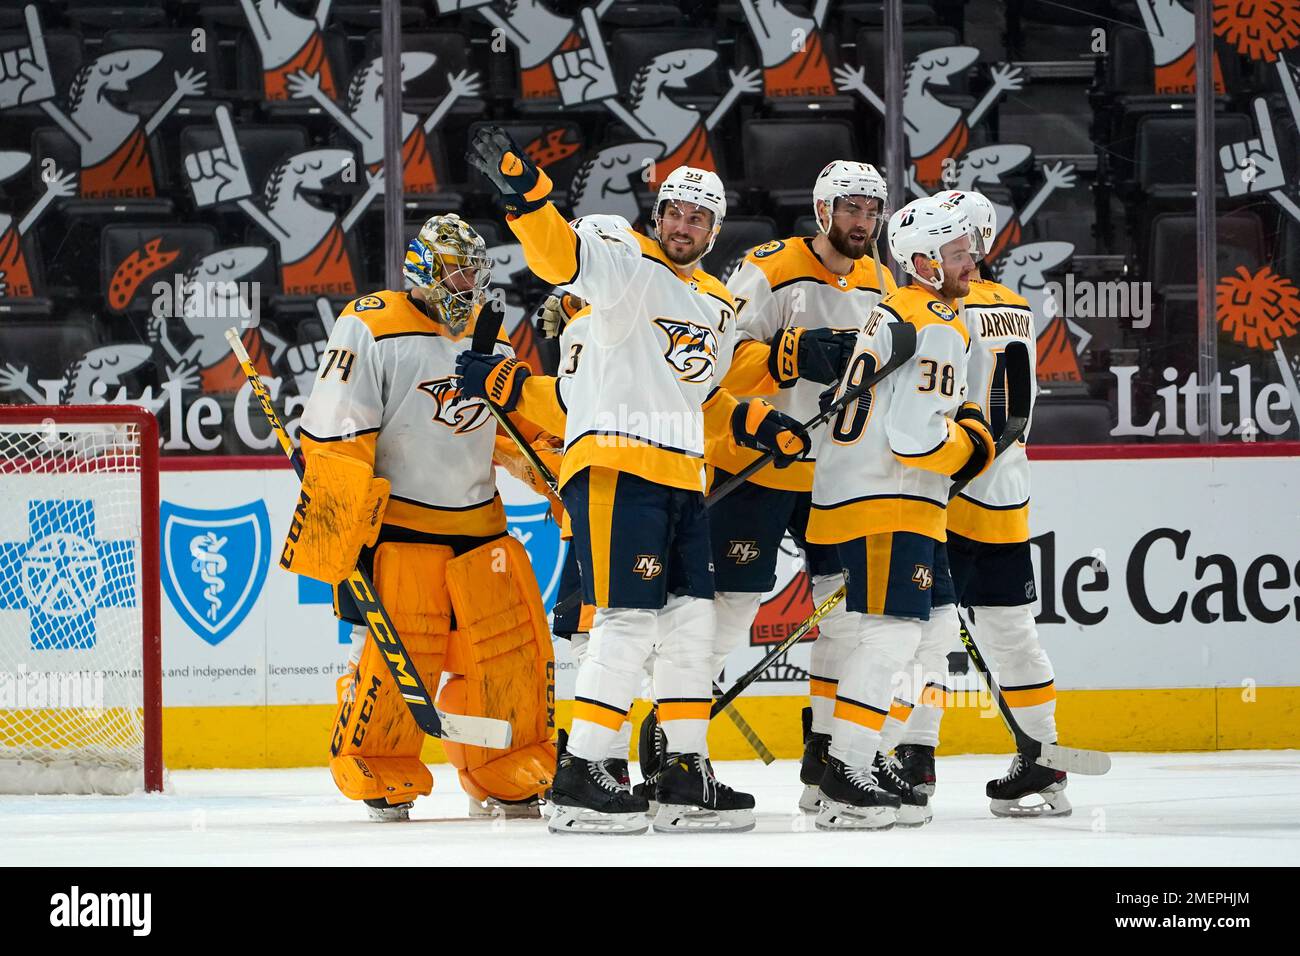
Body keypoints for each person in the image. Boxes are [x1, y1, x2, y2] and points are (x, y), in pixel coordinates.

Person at [458, 127, 810, 834]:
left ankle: (682, 768)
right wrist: (527, 196)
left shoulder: (715, 301)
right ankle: (582, 771)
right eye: (676, 212)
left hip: (684, 476)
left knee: (689, 624)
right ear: (659, 216)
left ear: (714, 229)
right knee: (622, 623)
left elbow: (700, 394)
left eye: (699, 217)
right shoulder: (624, 263)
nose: (685, 225)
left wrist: (754, 424)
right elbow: (561, 256)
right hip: (618, 465)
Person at [280, 213, 556, 822]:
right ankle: (379, 762)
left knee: (511, 657)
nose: (469, 283)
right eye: (458, 270)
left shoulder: (490, 341)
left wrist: (560, 474)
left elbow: (509, 436)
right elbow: (336, 431)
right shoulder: (371, 324)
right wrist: (336, 528)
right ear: (424, 270)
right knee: (400, 656)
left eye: (475, 272)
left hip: (481, 527)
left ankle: (504, 765)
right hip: (401, 530)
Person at [705, 160, 897, 813]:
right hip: (758, 460)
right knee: (731, 609)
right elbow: (711, 355)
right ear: (821, 212)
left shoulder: (879, 278)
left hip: (838, 473)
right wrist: (787, 352)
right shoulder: (769, 268)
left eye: (871, 210)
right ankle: (676, 747)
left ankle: (825, 756)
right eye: (850, 208)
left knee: (844, 613)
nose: (862, 221)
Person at [805, 196, 996, 830]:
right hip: (886, 494)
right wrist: (973, 443)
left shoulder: (903, 308)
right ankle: (845, 769)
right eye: (958, 253)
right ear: (921, 261)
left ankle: (867, 756)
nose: (973, 261)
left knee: (935, 629)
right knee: (891, 634)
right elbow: (916, 437)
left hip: (878, 493)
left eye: (969, 249)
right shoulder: (938, 319)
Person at [884, 189, 1066, 818]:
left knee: (919, 636)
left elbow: (944, 406)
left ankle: (914, 755)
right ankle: (1044, 760)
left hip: (944, 487)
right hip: (1005, 492)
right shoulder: (1014, 305)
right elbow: (1013, 412)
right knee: (1011, 632)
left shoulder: (943, 307)